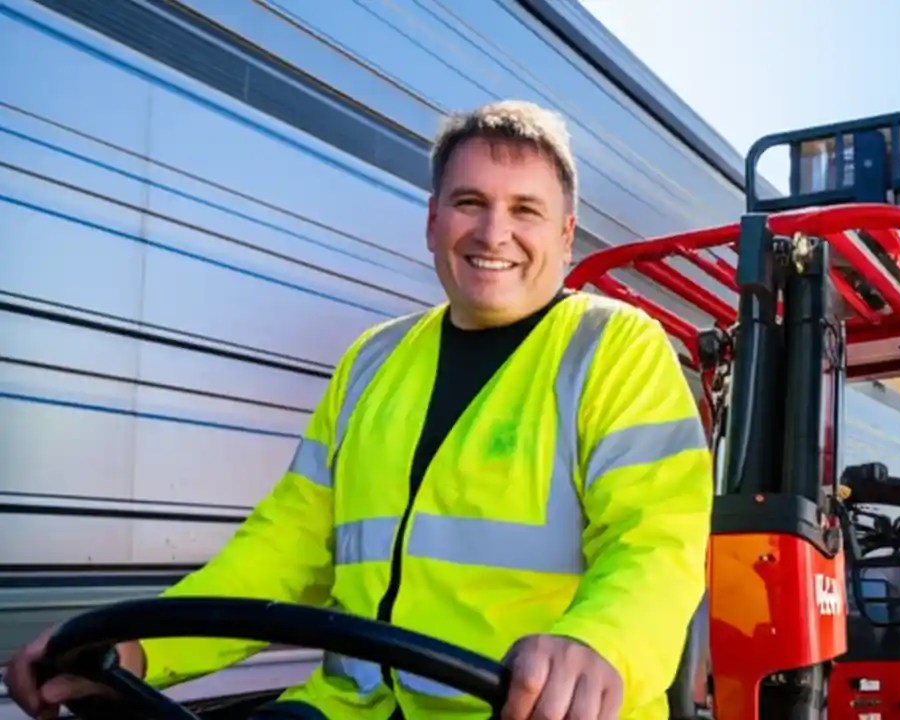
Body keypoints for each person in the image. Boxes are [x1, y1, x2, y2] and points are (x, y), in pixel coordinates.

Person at [3, 99, 714, 720]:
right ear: (432, 221)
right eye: (470, 202)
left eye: (525, 209)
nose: (494, 232)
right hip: (351, 706)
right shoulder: (373, 360)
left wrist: (597, 643)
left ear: (565, 235)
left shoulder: (612, 348)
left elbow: (655, 543)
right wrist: (137, 649)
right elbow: (281, 551)